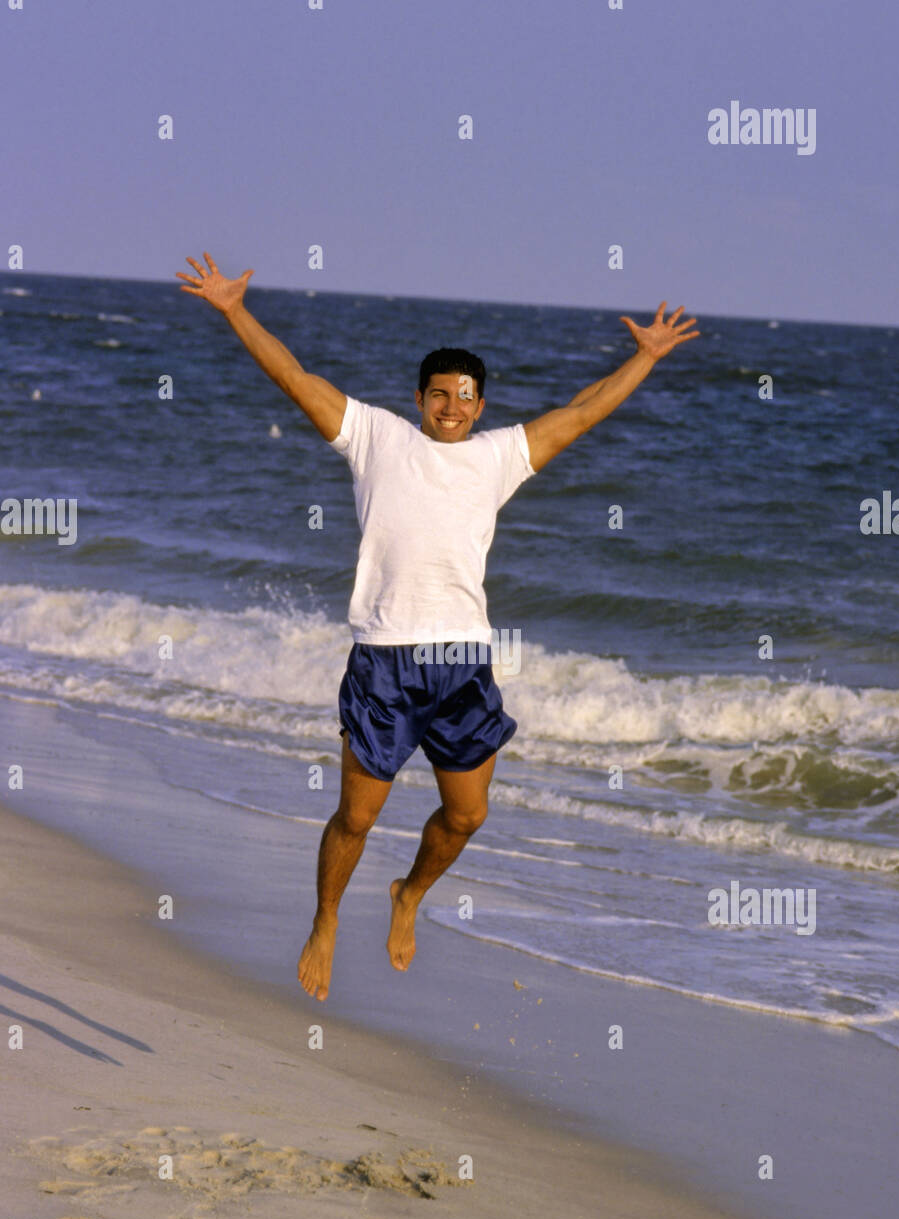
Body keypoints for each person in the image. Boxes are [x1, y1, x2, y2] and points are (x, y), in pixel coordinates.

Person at [177, 252, 699, 1000]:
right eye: (440, 394)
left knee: (467, 815)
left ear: (481, 405)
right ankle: (325, 918)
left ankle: (409, 893)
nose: (452, 407)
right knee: (356, 815)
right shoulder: (375, 438)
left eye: (465, 397)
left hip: (461, 663)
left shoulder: (498, 458)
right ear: (418, 397)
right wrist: (233, 310)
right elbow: (294, 377)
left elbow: (582, 411)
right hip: (383, 663)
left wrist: (642, 358)